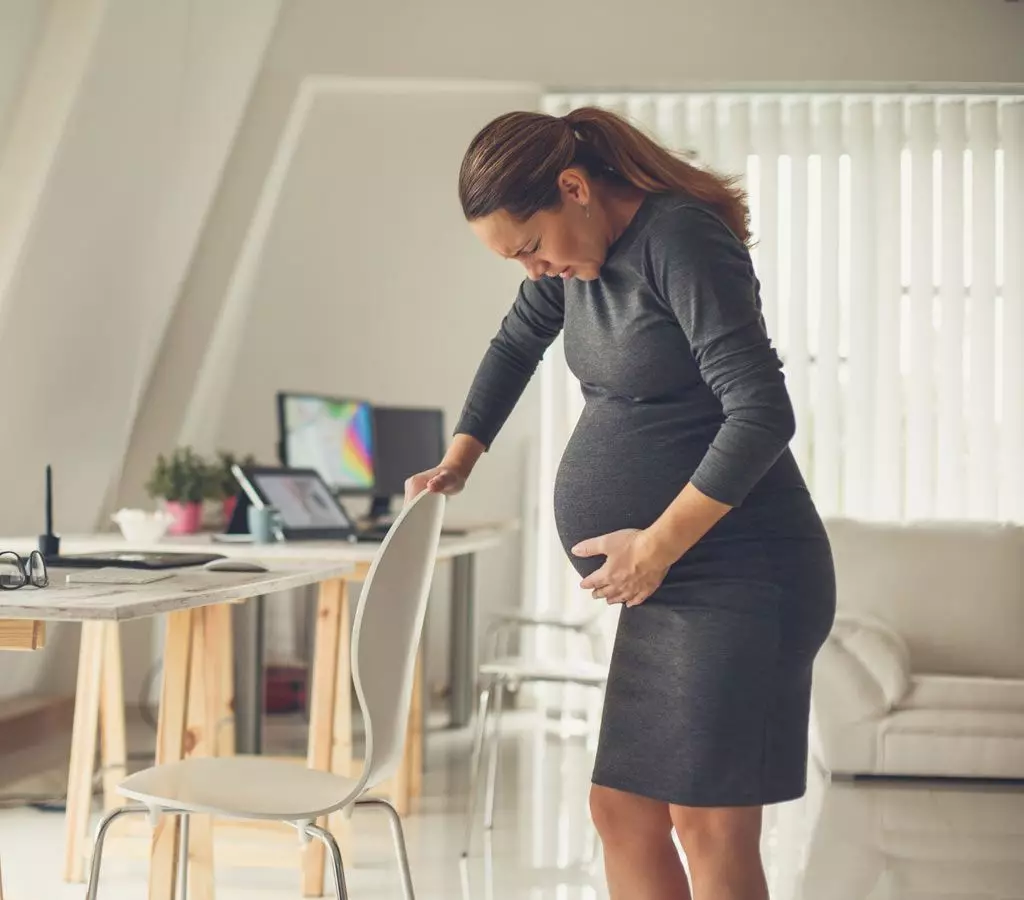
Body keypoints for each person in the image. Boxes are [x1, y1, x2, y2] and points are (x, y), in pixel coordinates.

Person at [405, 107, 836, 900]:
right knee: (621, 813)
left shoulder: (680, 240)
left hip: (744, 572)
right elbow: (512, 346)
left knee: (707, 824)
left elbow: (763, 412)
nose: (532, 270)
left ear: (574, 188)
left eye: (530, 246)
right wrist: (459, 459)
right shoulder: (574, 268)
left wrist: (658, 546)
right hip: (668, 580)